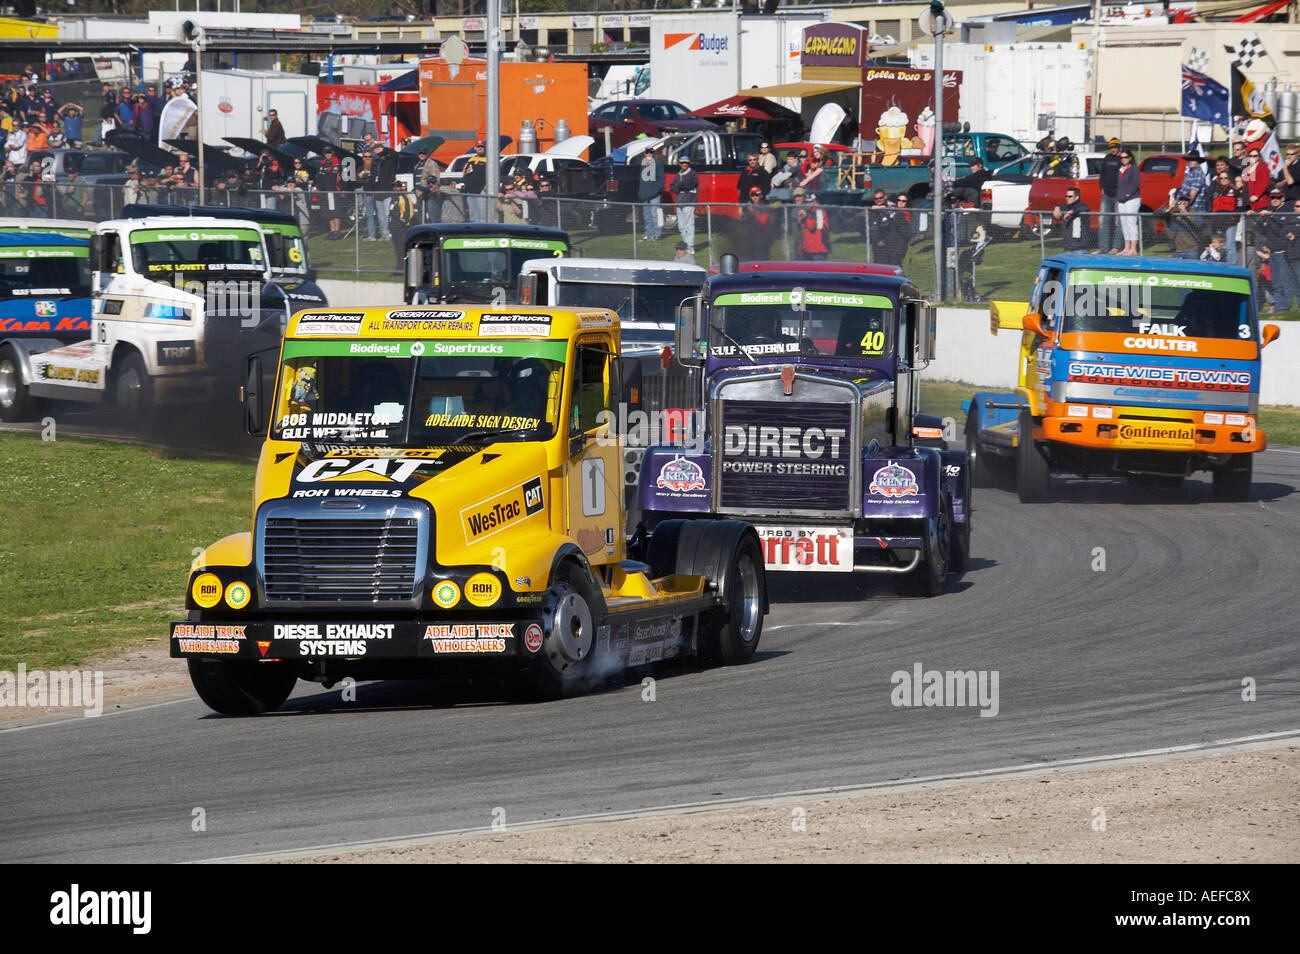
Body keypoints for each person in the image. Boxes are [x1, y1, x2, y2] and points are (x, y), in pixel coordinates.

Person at [1162, 194, 1207, 259]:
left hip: (1191, 250)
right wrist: (1170, 208)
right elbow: (1157, 213)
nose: (1183, 202)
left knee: (1192, 268)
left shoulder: (1194, 212)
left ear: (1189, 202)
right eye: (1181, 200)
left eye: (1186, 200)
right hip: (1176, 250)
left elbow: (1199, 223)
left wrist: (1186, 213)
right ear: (1177, 201)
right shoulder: (1172, 212)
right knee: (1175, 269)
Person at [734, 186, 773, 260]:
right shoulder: (747, 208)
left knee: (762, 261)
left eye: (757, 195)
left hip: (763, 240)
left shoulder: (765, 207)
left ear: (761, 195)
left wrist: (753, 213)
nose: (755, 197)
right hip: (750, 240)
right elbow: (741, 223)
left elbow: (764, 224)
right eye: (752, 195)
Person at [1098, 137, 1122, 253]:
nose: (1113, 149)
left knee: (1118, 222)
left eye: (1115, 147)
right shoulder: (1107, 158)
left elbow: (1124, 177)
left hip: (1118, 195)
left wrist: (1121, 194)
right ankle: (1103, 247)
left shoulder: (1122, 159)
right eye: (1111, 147)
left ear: (1119, 147)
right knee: (1103, 220)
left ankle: (1116, 247)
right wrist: (1102, 187)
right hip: (1106, 194)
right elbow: (1102, 174)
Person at [1115, 149, 1141, 255]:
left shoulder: (1134, 169)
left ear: (1130, 158)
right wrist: (1119, 198)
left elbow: (1135, 183)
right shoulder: (1120, 169)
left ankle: (1133, 248)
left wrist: (1128, 194)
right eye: (1121, 158)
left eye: (1125, 157)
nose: (1123, 159)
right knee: (1124, 223)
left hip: (1132, 199)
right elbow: (1119, 185)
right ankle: (1126, 247)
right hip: (1121, 200)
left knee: (1131, 222)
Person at [794, 189, 830, 261]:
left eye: (810, 202)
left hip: (818, 250)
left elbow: (813, 227)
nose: (808, 204)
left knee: (819, 271)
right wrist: (799, 220)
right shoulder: (807, 211)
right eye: (806, 202)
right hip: (807, 249)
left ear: (814, 201)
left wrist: (806, 217)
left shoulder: (818, 210)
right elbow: (800, 229)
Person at [1053, 187, 1093, 252]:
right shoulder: (1065, 207)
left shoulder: (1082, 206)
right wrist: (1056, 208)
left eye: (1070, 196)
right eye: (1066, 196)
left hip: (1080, 248)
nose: (1067, 198)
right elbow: (1060, 206)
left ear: (1077, 197)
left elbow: (1084, 207)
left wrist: (1070, 212)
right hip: (1067, 247)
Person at [638, 147, 665, 241]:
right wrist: (642, 193)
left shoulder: (657, 163)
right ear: (644, 154)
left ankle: (657, 235)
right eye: (647, 153)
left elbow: (661, 179)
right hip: (645, 195)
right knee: (647, 215)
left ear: (653, 153)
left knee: (654, 214)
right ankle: (648, 235)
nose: (649, 154)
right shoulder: (643, 163)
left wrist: (656, 191)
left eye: (651, 153)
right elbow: (642, 181)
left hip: (654, 195)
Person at [673, 154, 698, 252]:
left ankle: (690, 247)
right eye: (682, 162)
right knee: (682, 227)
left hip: (689, 202)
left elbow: (689, 185)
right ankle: (685, 246)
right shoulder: (679, 174)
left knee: (689, 226)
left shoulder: (692, 173)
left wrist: (679, 186)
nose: (684, 164)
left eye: (686, 162)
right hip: (679, 202)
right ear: (679, 164)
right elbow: (672, 186)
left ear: (689, 163)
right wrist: (679, 187)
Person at [461, 139, 487, 222]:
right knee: (472, 216)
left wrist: (486, 187)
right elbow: (464, 172)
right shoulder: (471, 160)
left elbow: (493, 174)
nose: (480, 148)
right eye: (478, 146)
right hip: (470, 191)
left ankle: (483, 233)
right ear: (475, 148)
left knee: (482, 216)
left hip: (481, 191)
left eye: (481, 147)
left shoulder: (488, 159)